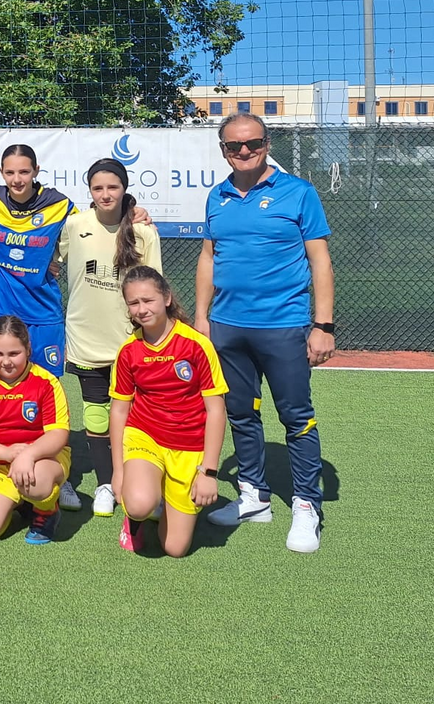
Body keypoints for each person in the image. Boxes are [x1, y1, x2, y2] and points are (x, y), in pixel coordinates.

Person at [194, 113, 335, 554]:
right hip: (228, 328)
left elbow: (320, 261)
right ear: (223, 151)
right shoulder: (216, 197)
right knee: (240, 412)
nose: (244, 151)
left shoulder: (298, 192)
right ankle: (254, 496)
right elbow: (208, 258)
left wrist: (323, 325)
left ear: (267, 143)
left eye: (252, 143)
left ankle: (307, 504)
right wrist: (201, 317)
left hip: (285, 326)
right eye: (234, 146)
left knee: (296, 416)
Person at [59, 157, 162, 517]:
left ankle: (138, 482)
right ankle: (106, 484)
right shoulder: (74, 225)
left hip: (129, 344)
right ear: (89, 191)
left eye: (112, 187)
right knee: (98, 419)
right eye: (98, 188)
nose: (105, 194)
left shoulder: (144, 232)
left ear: (124, 189)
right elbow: (52, 260)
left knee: (136, 417)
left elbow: (153, 289)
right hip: (86, 339)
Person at [110, 265, 227, 558]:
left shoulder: (197, 345)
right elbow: (120, 411)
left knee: (175, 548)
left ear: (166, 298)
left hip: (188, 446)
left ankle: (167, 496)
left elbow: (215, 411)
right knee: (137, 502)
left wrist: (208, 472)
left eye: (148, 300)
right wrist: (119, 472)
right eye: (134, 303)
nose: (141, 309)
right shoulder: (128, 351)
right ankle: (136, 516)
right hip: (144, 436)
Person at [0, 315, 72, 545]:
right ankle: (19, 502)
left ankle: (46, 510)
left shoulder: (46, 382)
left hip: (43, 460)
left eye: (14, 353)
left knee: (36, 482)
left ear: (28, 349)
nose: (6, 361)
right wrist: (8, 454)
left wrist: (29, 455)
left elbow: (58, 434)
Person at [0, 144, 74, 379]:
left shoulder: (59, 205)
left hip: (41, 311)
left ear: (36, 171)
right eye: (10, 173)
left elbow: (94, 225)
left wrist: (130, 209)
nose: (17, 179)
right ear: (1, 172)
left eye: (24, 172)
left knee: (47, 386)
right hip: (0, 307)